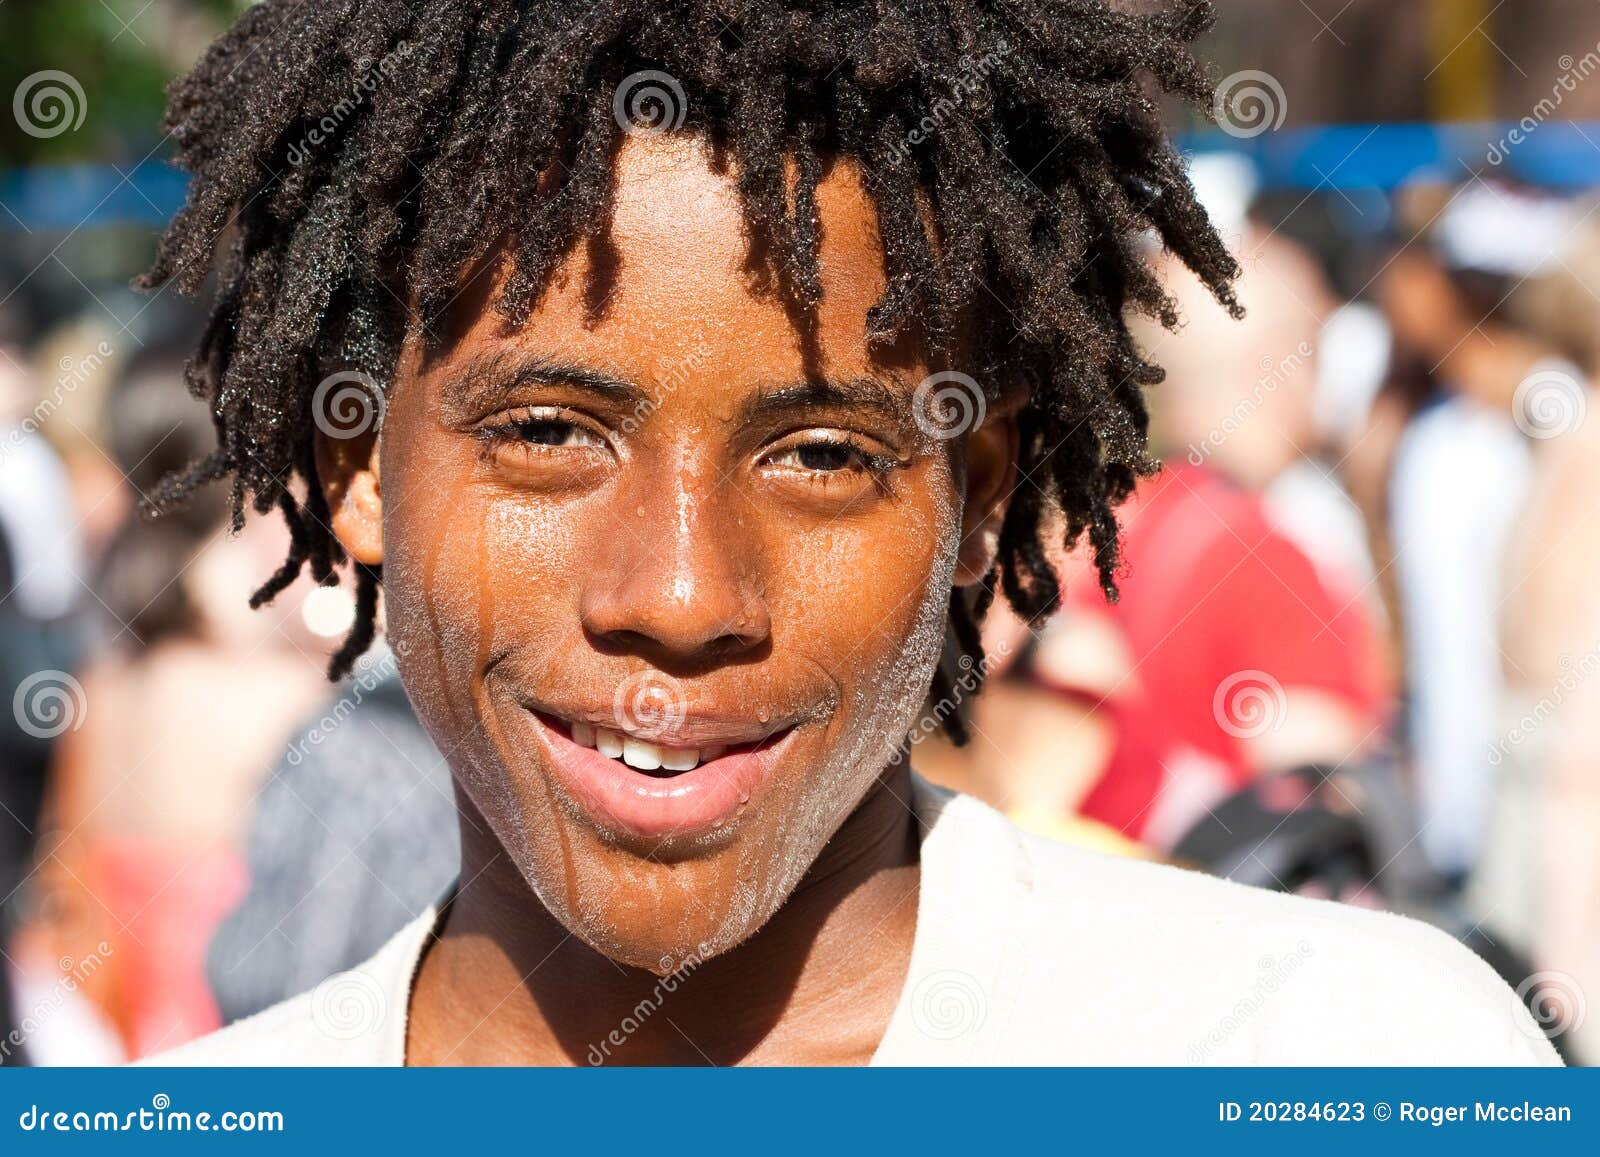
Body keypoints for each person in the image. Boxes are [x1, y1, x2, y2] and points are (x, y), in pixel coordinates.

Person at [144, 0, 1553, 1065]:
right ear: (355, 469)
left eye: (821, 453)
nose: (684, 593)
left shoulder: (1336, 1050)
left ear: (977, 498)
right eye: (550, 433)